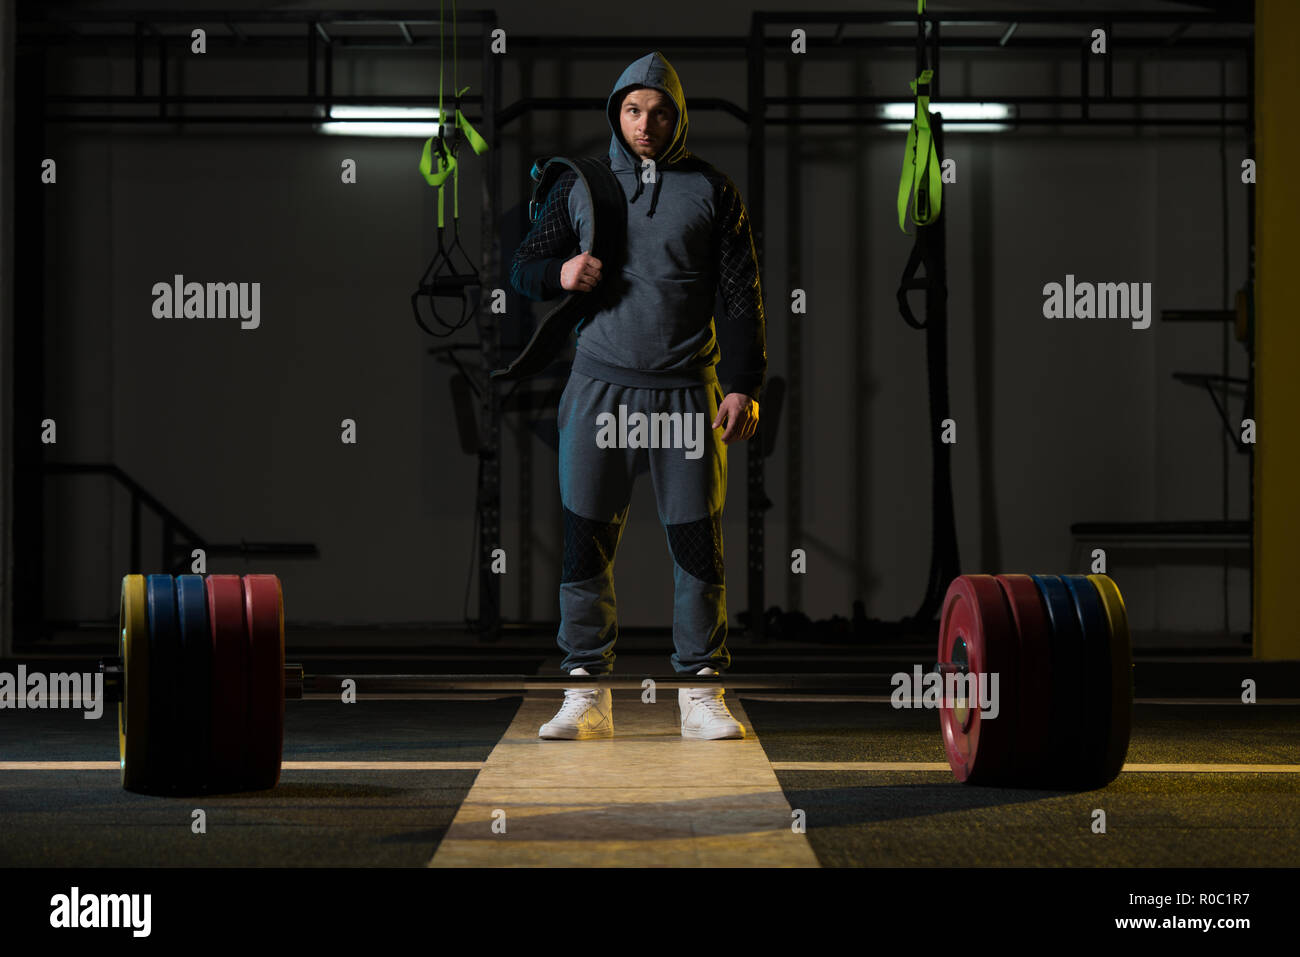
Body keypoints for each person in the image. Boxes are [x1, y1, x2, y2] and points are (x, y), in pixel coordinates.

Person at [509, 51, 767, 741]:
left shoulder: (713, 190)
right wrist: (561, 270)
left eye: (657, 112)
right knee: (584, 539)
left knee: (696, 544)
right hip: (599, 386)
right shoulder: (582, 187)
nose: (644, 124)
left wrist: (744, 383)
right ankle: (587, 689)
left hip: (687, 390)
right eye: (632, 110)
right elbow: (523, 266)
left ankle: (700, 690)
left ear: (676, 118)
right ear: (616, 113)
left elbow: (741, 295)